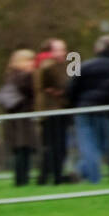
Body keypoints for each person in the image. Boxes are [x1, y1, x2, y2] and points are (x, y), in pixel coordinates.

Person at [66, 35, 109, 184]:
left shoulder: (84, 66)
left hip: (85, 109)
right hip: (106, 110)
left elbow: (71, 88)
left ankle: (80, 171)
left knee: (89, 144)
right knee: (102, 145)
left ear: (97, 49)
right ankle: (94, 180)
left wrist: (74, 104)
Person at [0, 49, 37, 186]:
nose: (33, 64)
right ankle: (21, 181)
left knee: (24, 150)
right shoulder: (20, 76)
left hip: (22, 119)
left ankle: (23, 179)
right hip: (19, 121)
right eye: (30, 60)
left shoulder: (14, 75)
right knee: (21, 149)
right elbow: (28, 88)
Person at [34, 38, 70, 185]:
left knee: (57, 146)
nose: (61, 52)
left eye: (63, 49)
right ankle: (55, 177)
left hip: (59, 109)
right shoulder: (49, 66)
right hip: (51, 110)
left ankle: (50, 176)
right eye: (57, 49)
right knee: (54, 146)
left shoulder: (62, 65)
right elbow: (63, 84)